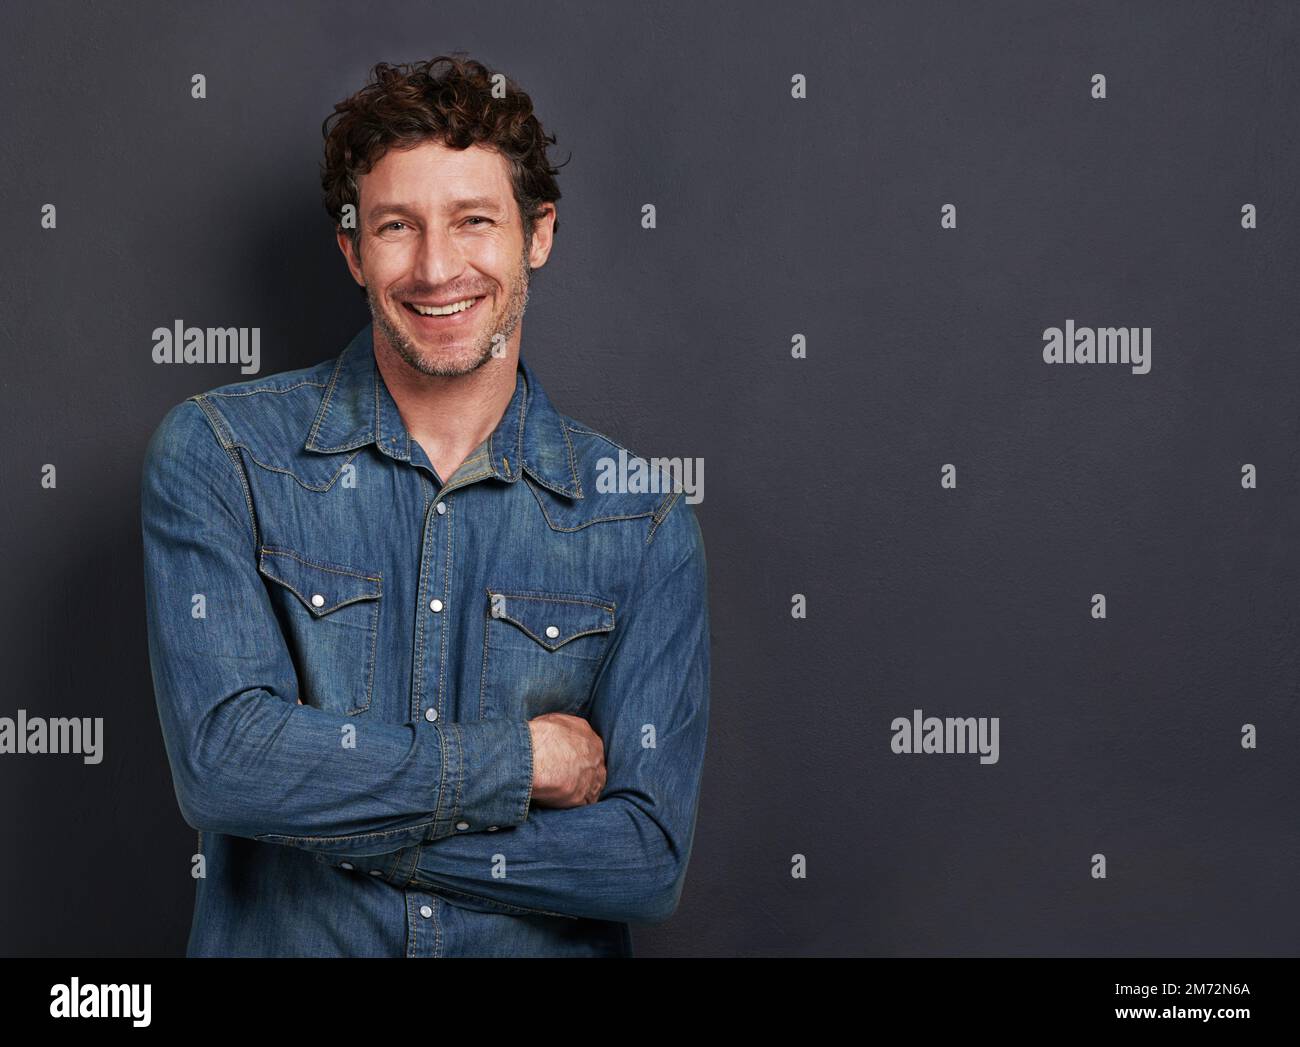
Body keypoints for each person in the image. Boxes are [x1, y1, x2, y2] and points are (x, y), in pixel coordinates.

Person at [140, 54, 710, 957]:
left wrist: (344, 833)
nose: (437, 268)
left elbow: (642, 862)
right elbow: (226, 765)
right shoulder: (220, 456)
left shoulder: (641, 517)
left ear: (539, 233)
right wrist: (520, 765)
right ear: (352, 248)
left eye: (474, 221)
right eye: (397, 225)